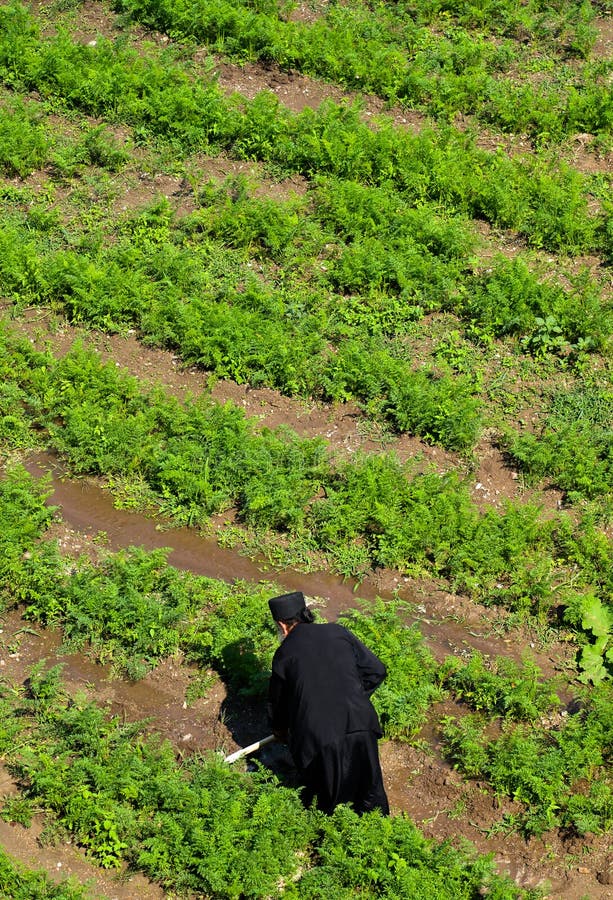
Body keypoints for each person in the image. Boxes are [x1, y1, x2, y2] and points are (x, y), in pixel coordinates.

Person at [267, 590, 389, 816]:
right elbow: (377, 671)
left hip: (319, 737)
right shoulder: (337, 631)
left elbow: (278, 705)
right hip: (362, 723)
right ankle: (382, 838)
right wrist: (355, 697)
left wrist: (281, 730)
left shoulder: (285, 654)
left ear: (282, 626)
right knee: (370, 793)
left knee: (327, 802)